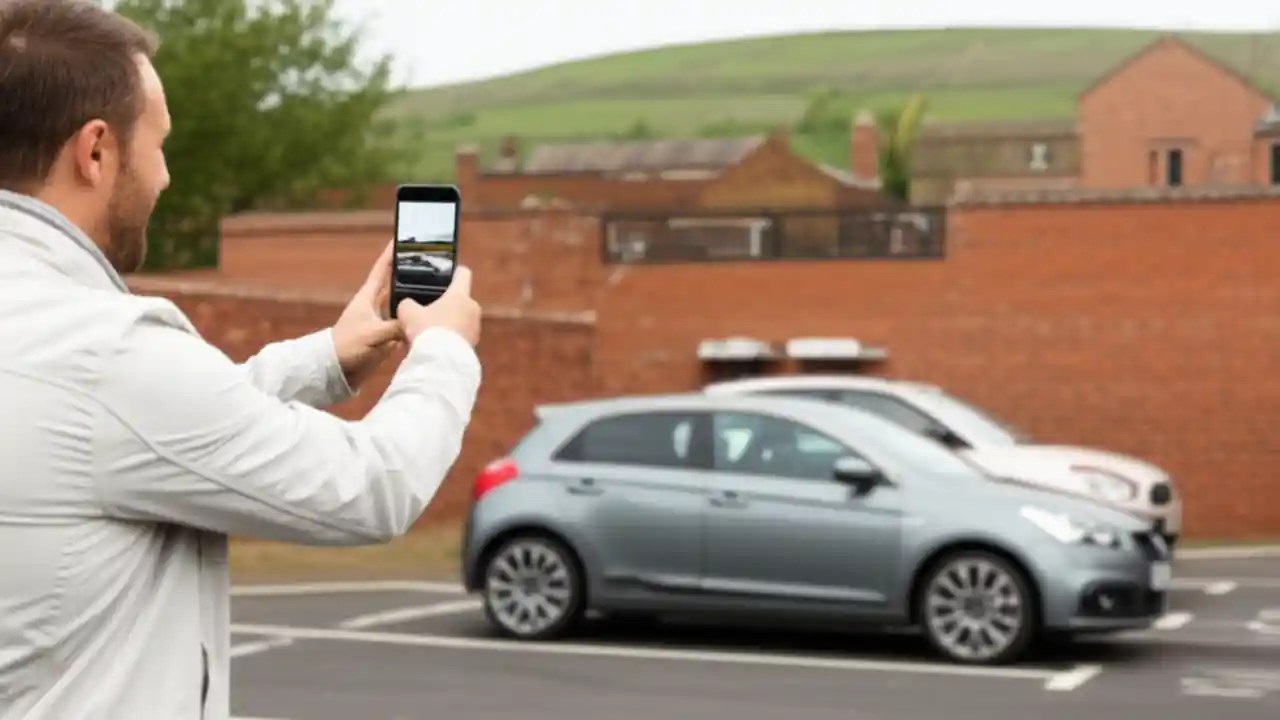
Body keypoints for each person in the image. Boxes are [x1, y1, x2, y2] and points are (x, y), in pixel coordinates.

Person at [0, 1, 482, 717]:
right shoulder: (108, 354)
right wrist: (445, 347)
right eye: (158, 145)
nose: (164, 177)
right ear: (95, 151)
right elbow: (370, 486)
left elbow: (148, 432)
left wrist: (329, 358)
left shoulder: (50, 336)